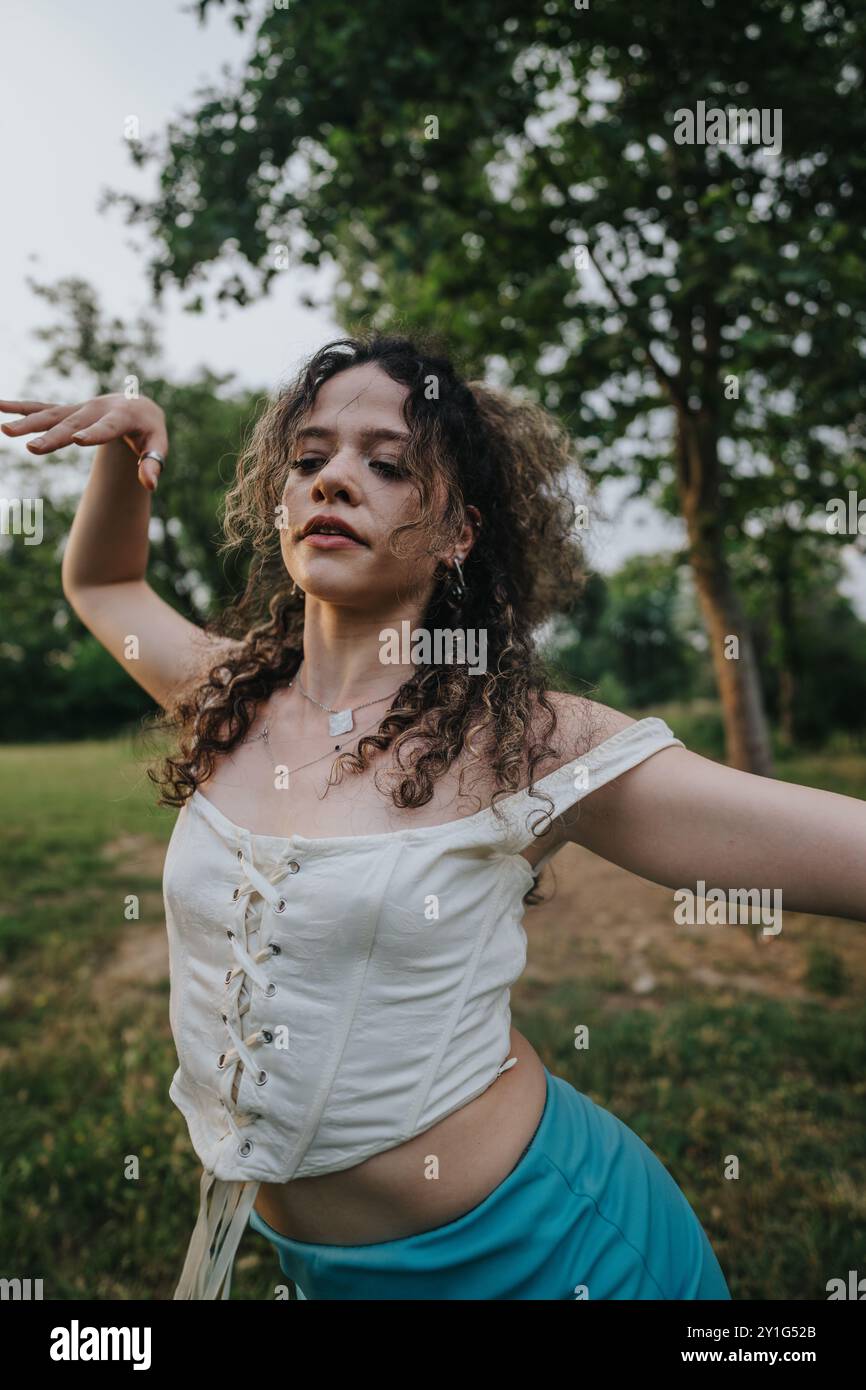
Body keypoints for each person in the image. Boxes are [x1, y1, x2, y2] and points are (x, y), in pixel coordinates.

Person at [2, 333, 863, 1301]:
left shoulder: (526, 741)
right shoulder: (228, 696)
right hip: (331, 1275)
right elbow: (106, 586)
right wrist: (129, 457)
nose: (333, 480)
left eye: (387, 464)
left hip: (554, 1259)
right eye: (309, 458)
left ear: (458, 532)